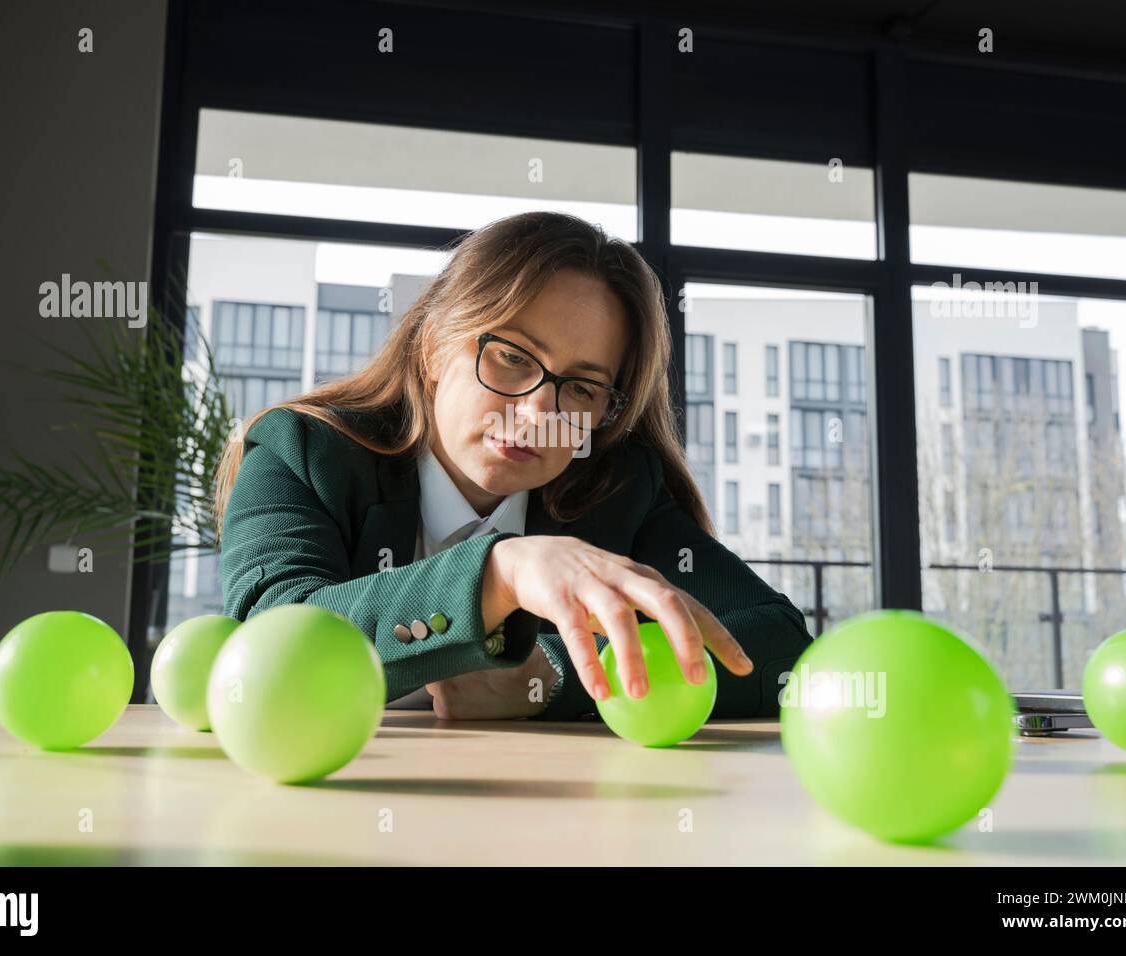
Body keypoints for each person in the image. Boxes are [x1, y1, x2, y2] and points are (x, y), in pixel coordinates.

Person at [214, 211, 811, 722]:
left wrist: (547, 681)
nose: (538, 415)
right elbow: (273, 645)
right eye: (510, 356)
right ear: (433, 349)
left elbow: (780, 650)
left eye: (581, 387)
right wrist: (498, 574)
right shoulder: (302, 449)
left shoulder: (617, 488)